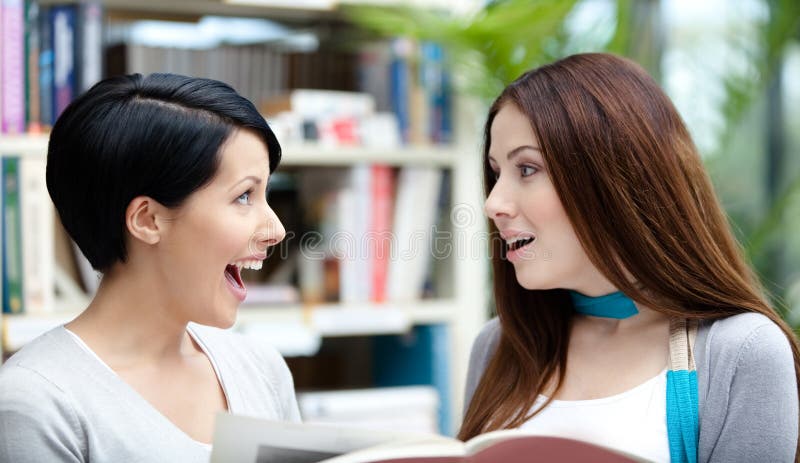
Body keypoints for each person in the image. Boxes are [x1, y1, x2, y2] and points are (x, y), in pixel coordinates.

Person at [461, 53, 799, 463]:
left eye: (527, 169)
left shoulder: (742, 351)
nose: (494, 203)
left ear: (613, 176)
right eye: (496, 174)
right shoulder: (499, 344)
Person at [0, 73, 300, 462]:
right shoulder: (39, 402)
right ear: (147, 220)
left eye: (265, 194)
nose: (275, 230)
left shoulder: (261, 370)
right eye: (244, 195)